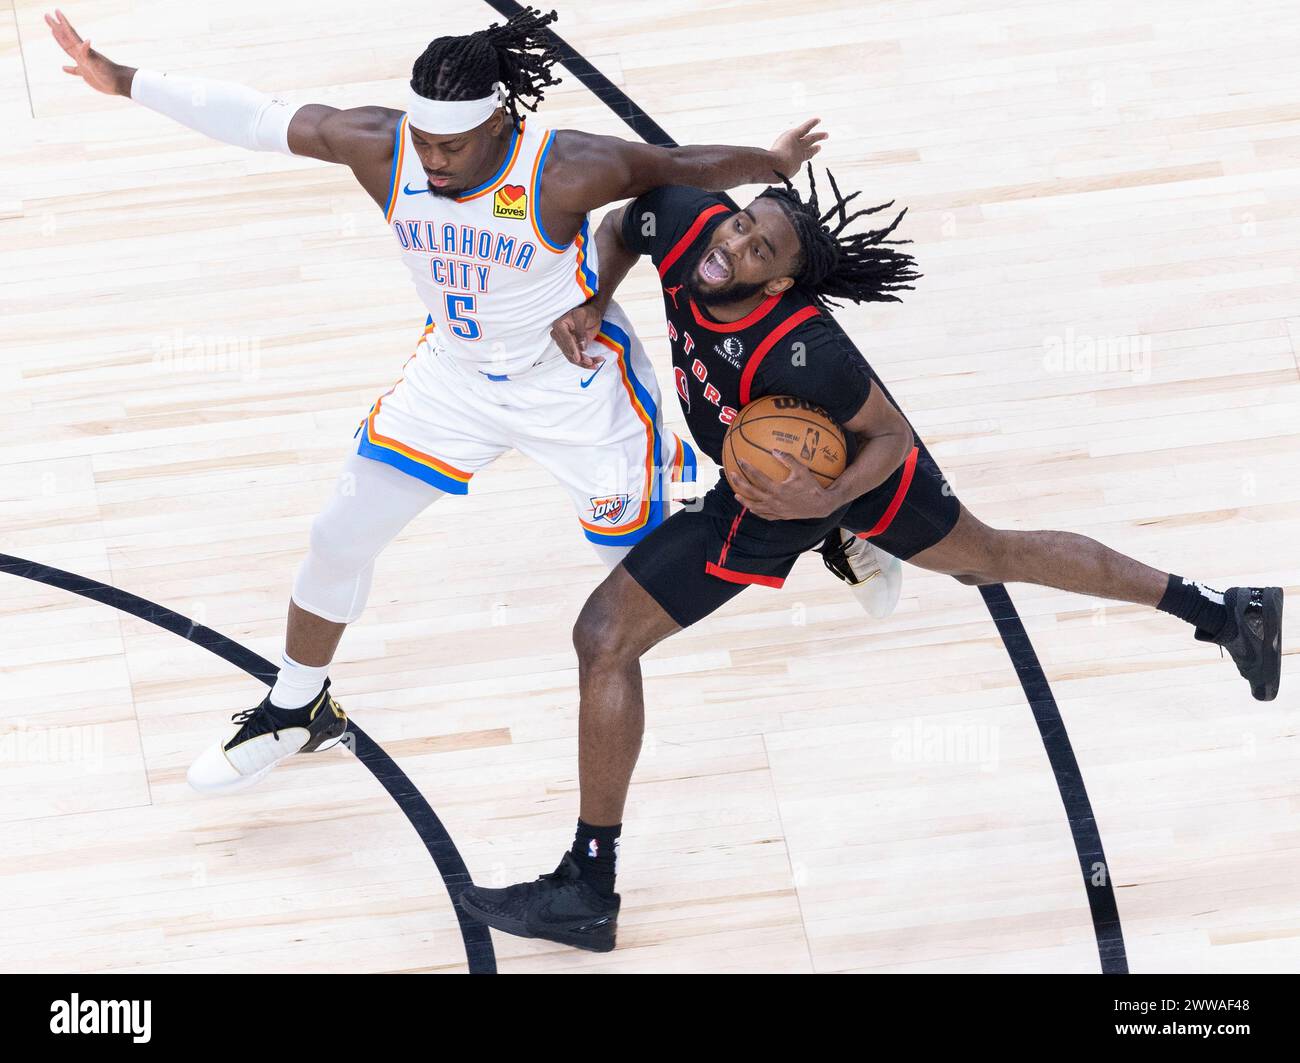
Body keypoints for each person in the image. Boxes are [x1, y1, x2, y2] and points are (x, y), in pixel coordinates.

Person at [457, 171, 1284, 952]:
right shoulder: (682, 222)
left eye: (758, 252)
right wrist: (594, 297)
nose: (734, 248)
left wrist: (822, 502)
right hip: (800, 468)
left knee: (606, 634)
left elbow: (888, 436)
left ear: (779, 282)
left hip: (806, 490)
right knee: (984, 554)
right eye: (742, 226)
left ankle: (588, 887)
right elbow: (617, 225)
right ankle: (1223, 610)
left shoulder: (803, 349)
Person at [46, 6, 834, 793]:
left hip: (575, 385)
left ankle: (812, 519)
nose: (431, 161)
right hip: (454, 382)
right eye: (424, 141)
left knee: (641, 575)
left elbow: (677, 163)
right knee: (337, 537)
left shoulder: (565, 169)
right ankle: (298, 704)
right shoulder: (385, 149)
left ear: (497, 124)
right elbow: (256, 116)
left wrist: (768, 160)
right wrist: (119, 79)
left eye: (450, 146)